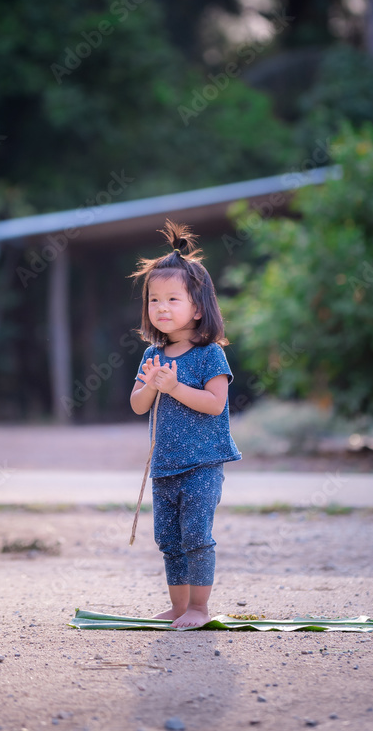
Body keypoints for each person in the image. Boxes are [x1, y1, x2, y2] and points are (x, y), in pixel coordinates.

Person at [128, 218, 242, 629]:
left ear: (198, 306)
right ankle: (178, 608)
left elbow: (215, 405)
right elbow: (139, 406)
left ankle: (199, 608)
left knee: (196, 536)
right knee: (169, 541)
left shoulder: (210, 354)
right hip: (164, 464)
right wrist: (154, 387)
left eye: (172, 300)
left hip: (202, 462)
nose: (161, 308)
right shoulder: (152, 356)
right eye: (154, 300)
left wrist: (174, 387)